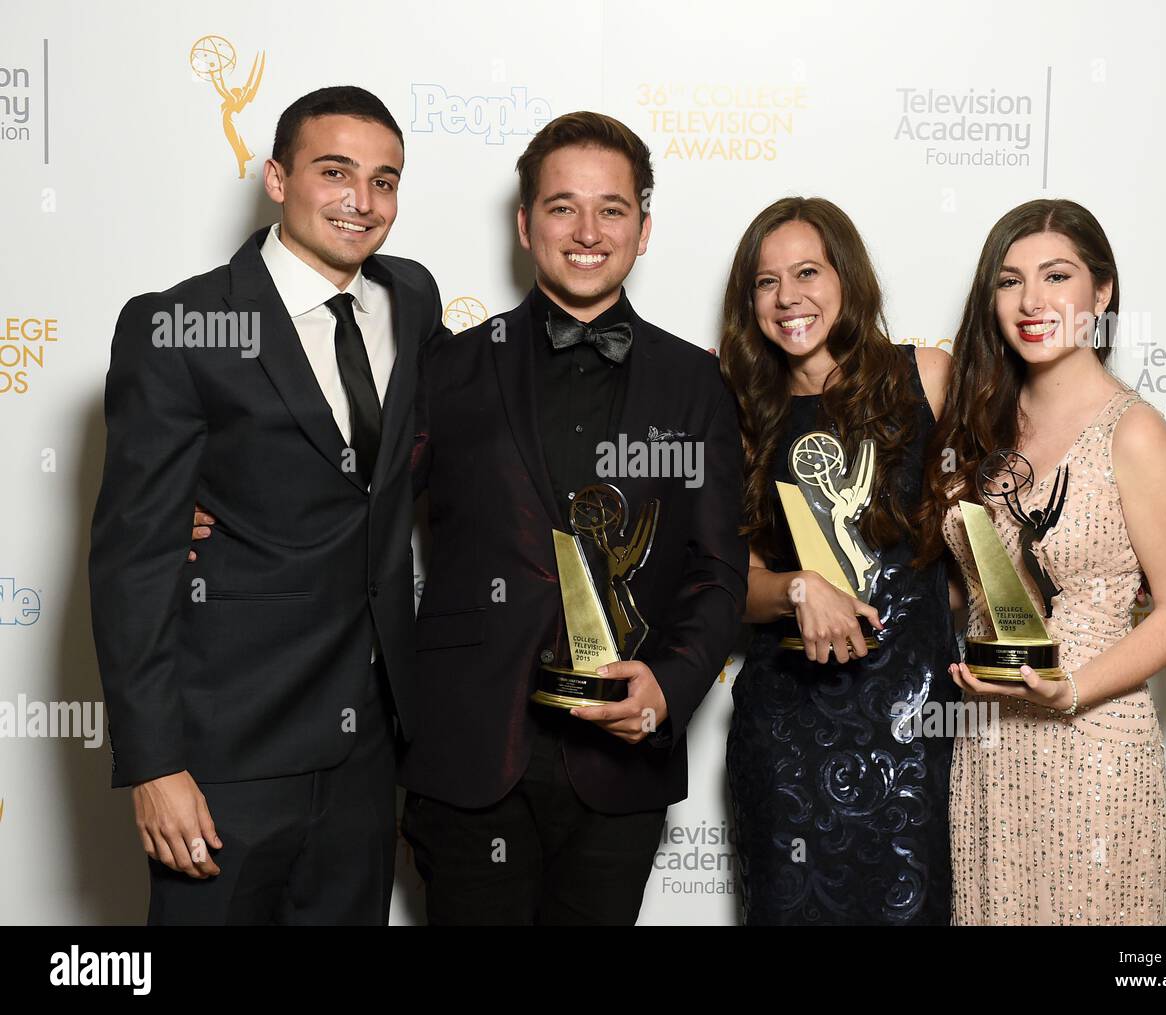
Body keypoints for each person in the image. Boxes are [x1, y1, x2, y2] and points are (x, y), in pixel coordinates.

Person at [89, 86, 446, 925]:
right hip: (223, 756)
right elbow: (131, 561)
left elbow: (426, 458)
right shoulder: (178, 325)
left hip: (366, 751)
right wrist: (153, 765)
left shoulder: (415, 298)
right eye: (335, 172)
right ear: (278, 179)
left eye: (385, 180)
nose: (363, 201)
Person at [397, 112, 748, 925]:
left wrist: (669, 685)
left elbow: (717, 569)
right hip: (469, 746)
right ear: (524, 224)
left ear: (644, 228)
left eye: (612, 209)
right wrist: (220, 501)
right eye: (562, 207)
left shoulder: (697, 384)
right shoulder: (449, 367)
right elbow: (364, 511)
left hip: (620, 761)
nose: (587, 231)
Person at [916, 198, 1166, 924]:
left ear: (1101, 293)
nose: (1033, 301)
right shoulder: (977, 424)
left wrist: (1072, 688)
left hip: (1095, 742)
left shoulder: (1132, 432)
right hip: (992, 746)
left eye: (1057, 276)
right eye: (1010, 280)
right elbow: (971, 590)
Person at [720, 197, 959, 925]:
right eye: (765, 282)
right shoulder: (737, 406)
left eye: (807, 272)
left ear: (847, 278)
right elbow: (730, 588)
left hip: (915, 721)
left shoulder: (928, 376)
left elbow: (980, 537)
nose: (788, 296)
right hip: (788, 726)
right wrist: (796, 588)